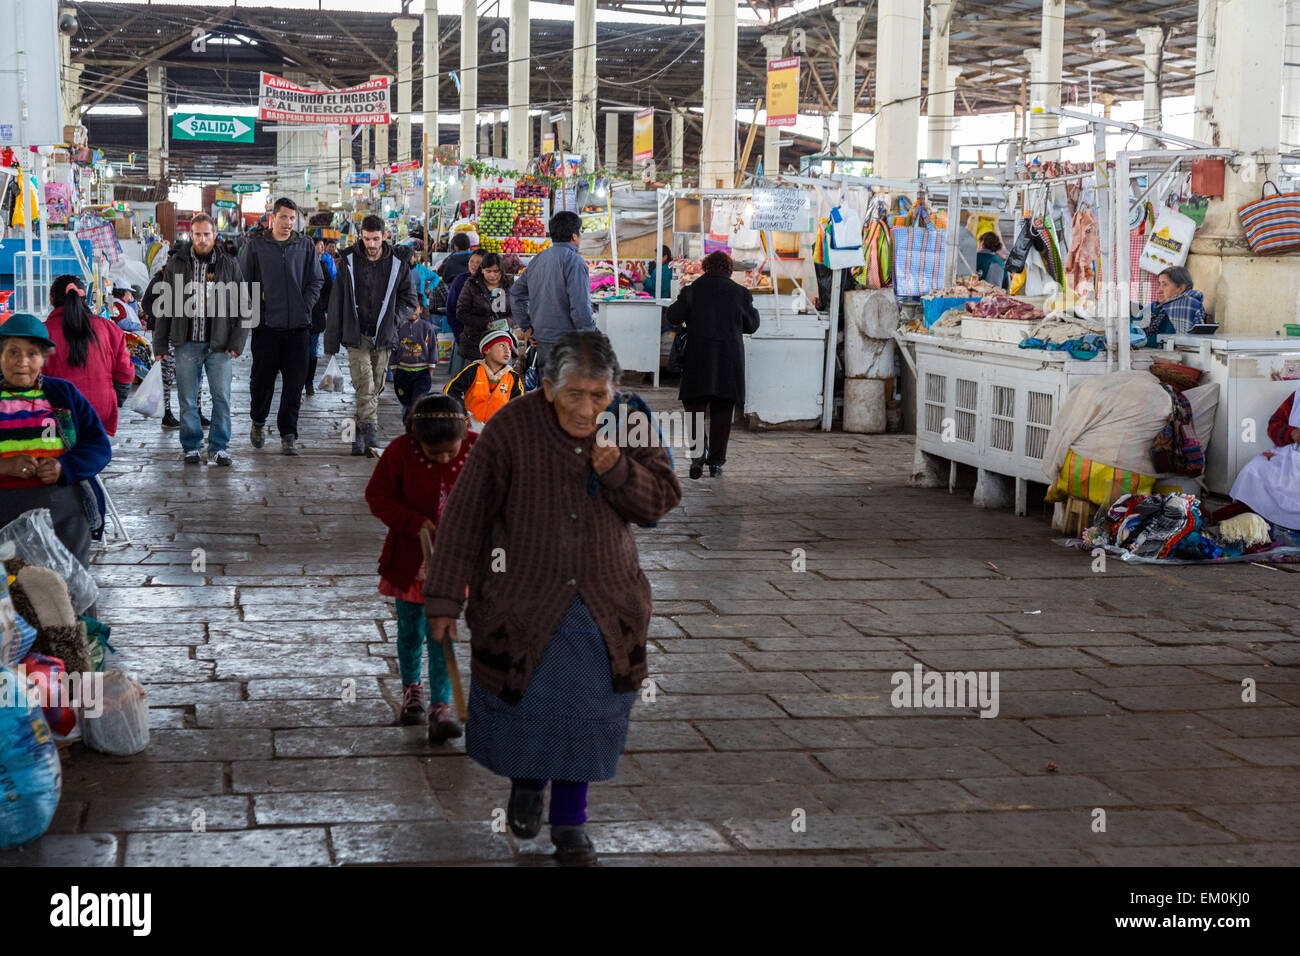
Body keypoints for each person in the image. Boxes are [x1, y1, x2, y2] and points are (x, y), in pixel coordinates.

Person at [423, 330, 681, 866]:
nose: (588, 409)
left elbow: (658, 501)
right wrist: (444, 599)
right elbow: (466, 517)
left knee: (585, 718)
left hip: (602, 605)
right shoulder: (510, 429)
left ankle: (571, 825)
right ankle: (526, 783)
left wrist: (617, 470)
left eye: (599, 395)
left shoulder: (627, 422)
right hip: (521, 603)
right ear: (546, 388)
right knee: (528, 707)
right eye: (574, 395)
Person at [365, 392, 476, 743]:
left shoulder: (477, 449)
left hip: (455, 564)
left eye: (450, 450)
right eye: (434, 452)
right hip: (411, 561)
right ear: (416, 438)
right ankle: (411, 692)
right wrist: (414, 523)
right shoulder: (400, 451)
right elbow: (377, 496)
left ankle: (440, 707)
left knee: (442, 634)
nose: (444, 457)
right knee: (411, 630)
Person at [0, 313, 113, 570]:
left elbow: (97, 445)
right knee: (11, 591)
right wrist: (5, 467)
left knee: (67, 589)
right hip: (4, 507)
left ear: (43, 359)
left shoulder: (63, 394)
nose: (22, 362)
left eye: (32, 354)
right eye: (13, 352)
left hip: (62, 508)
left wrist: (65, 467)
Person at [149, 212, 248, 465]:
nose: (202, 239)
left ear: (215, 235)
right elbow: (165, 308)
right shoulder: (176, 265)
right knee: (187, 398)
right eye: (197, 234)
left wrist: (237, 343)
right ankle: (191, 446)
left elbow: (245, 307)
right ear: (190, 236)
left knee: (222, 398)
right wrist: (160, 345)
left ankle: (218, 447)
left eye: (207, 234)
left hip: (220, 346)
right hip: (186, 343)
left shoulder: (230, 265)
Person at [325, 214, 419, 456]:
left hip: (384, 337)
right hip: (356, 336)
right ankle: (372, 432)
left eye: (376, 239)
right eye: (367, 239)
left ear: (384, 236)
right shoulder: (348, 261)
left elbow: (410, 300)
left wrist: (393, 320)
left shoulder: (398, 264)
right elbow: (337, 301)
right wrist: (331, 342)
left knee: (374, 387)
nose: (371, 244)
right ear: (361, 237)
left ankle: (356, 431)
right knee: (365, 384)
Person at [239, 197, 323, 456]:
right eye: (284, 217)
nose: (288, 223)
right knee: (262, 382)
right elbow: (244, 282)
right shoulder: (256, 246)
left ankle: (288, 434)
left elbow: (316, 281)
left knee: (294, 384)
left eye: (292, 218)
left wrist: (305, 307)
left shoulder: (305, 246)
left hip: (298, 328)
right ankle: (258, 421)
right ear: (272, 218)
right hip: (267, 329)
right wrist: (258, 315)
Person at [666, 250, 760, 479]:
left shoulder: (692, 290)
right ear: (729, 269)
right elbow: (752, 325)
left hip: (698, 358)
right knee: (722, 411)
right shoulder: (740, 293)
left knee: (695, 408)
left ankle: (699, 454)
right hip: (728, 359)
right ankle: (716, 463)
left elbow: (673, 317)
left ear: (705, 267)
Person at [42, 275, 135, 438]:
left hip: (57, 414)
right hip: (100, 409)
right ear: (85, 297)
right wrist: (115, 399)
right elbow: (125, 373)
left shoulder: (43, 333)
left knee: (56, 460)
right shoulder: (108, 328)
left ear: (51, 298)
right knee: (92, 457)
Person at [510, 211, 595, 379]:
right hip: (567, 342)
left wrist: (527, 327)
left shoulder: (538, 259)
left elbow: (515, 293)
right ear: (574, 236)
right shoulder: (575, 262)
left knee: (547, 394)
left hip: (541, 339)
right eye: (581, 232)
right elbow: (579, 307)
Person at [1221, 382, 1300, 530]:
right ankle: (1240, 517)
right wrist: (1292, 433)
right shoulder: (1298, 396)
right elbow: (1274, 424)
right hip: (1289, 455)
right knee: (1254, 470)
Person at [444, 328, 523, 428]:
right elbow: (449, 390)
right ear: (487, 350)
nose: (507, 350)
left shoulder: (513, 378)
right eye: (502, 345)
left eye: (509, 348)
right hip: (471, 428)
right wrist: (462, 415)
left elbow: (518, 406)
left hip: (499, 429)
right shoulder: (473, 371)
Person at [455, 251, 514, 364]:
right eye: (488, 271)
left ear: (502, 271)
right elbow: (461, 313)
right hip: (475, 344)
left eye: (496, 271)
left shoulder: (509, 285)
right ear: (482, 270)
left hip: (502, 343)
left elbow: (516, 311)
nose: (492, 275)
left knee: (501, 380)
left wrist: (508, 322)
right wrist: (484, 323)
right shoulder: (471, 285)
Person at [390, 304, 438, 423]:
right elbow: (393, 348)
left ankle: (414, 423)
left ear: (421, 309)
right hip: (402, 372)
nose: (412, 310)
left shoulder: (426, 327)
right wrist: (394, 368)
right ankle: (407, 421)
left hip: (421, 372)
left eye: (415, 307)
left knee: (418, 400)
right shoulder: (398, 327)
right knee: (405, 400)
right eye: (408, 306)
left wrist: (430, 369)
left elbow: (433, 348)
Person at [1138, 266, 1207, 345]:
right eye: (1159, 284)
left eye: (1165, 285)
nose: (1159, 290)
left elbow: (1173, 341)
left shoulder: (1186, 304)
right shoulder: (1157, 306)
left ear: (1181, 288)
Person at [444, 248, 483, 381]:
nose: (474, 265)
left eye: (478, 262)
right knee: (460, 379)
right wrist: (458, 334)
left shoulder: (491, 283)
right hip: (463, 336)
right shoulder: (460, 280)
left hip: (484, 340)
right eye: (471, 261)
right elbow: (450, 310)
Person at [307, 231, 337, 398]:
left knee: (312, 351)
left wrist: (323, 306)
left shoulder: (325, 266)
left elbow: (329, 289)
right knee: (299, 351)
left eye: (321, 246)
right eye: (316, 245)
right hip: (299, 317)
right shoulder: (301, 265)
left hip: (316, 316)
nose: (319, 248)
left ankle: (309, 382)